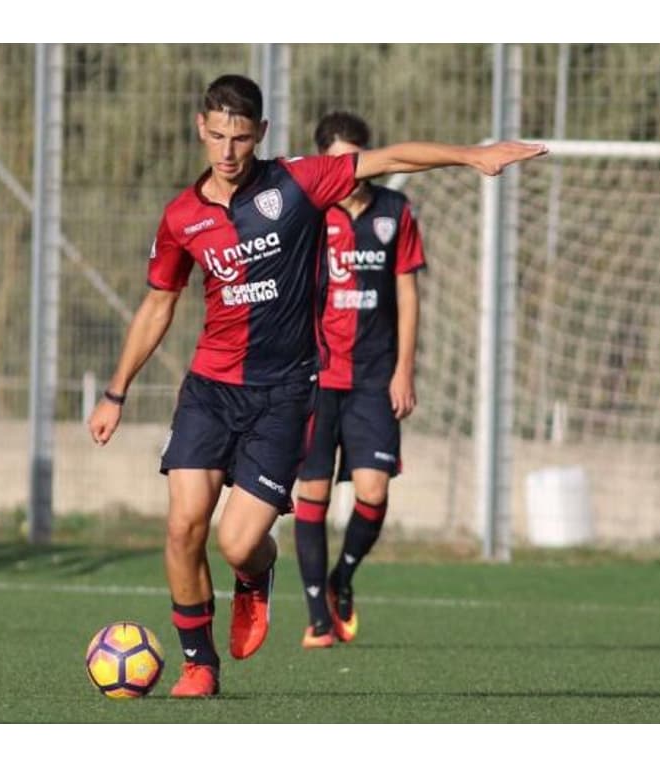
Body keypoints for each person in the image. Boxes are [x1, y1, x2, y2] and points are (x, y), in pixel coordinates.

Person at [88, 73, 546, 697]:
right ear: (201, 128)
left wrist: (472, 156)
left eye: (241, 138)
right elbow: (157, 304)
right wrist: (116, 390)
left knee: (238, 542)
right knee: (182, 525)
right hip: (209, 390)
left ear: (262, 135)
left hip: (283, 396)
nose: (227, 151)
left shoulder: (297, 182)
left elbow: (389, 157)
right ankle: (199, 662)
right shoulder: (181, 217)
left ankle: (256, 578)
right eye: (217, 135)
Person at [293, 111, 425, 649]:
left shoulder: (394, 211)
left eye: (358, 159)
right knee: (314, 494)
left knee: (373, 492)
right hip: (318, 376)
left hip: (375, 376)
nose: (352, 171)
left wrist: (404, 369)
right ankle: (316, 618)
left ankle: (342, 579)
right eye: (341, 161)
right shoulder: (308, 213)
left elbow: (409, 294)